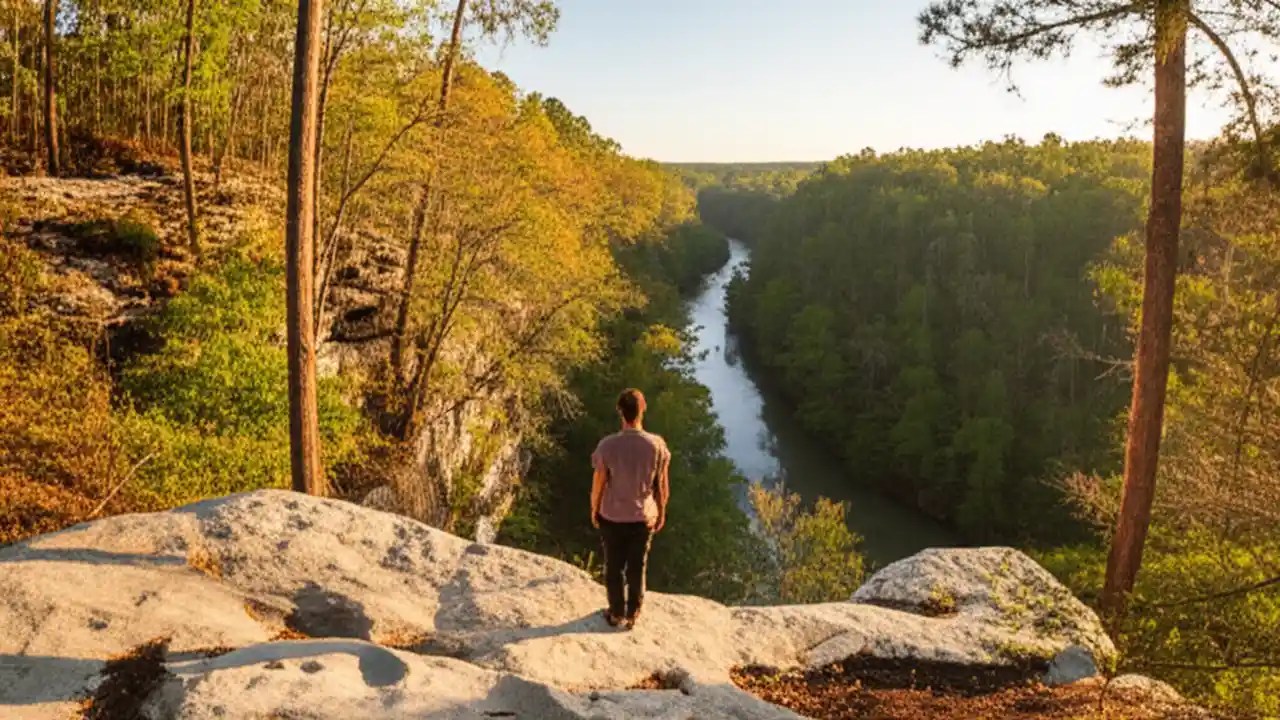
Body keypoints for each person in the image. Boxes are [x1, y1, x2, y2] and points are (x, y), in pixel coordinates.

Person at [590, 388, 670, 630]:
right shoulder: (656, 445)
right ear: (642, 409)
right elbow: (662, 485)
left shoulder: (607, 446)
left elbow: (599, 483)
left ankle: (615, 613)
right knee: (637, 566)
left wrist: (595, 508)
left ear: (620, 412)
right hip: (643, 517)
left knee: (613, 566)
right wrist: (661, 511)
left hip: (612, 516)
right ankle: (633, 613)